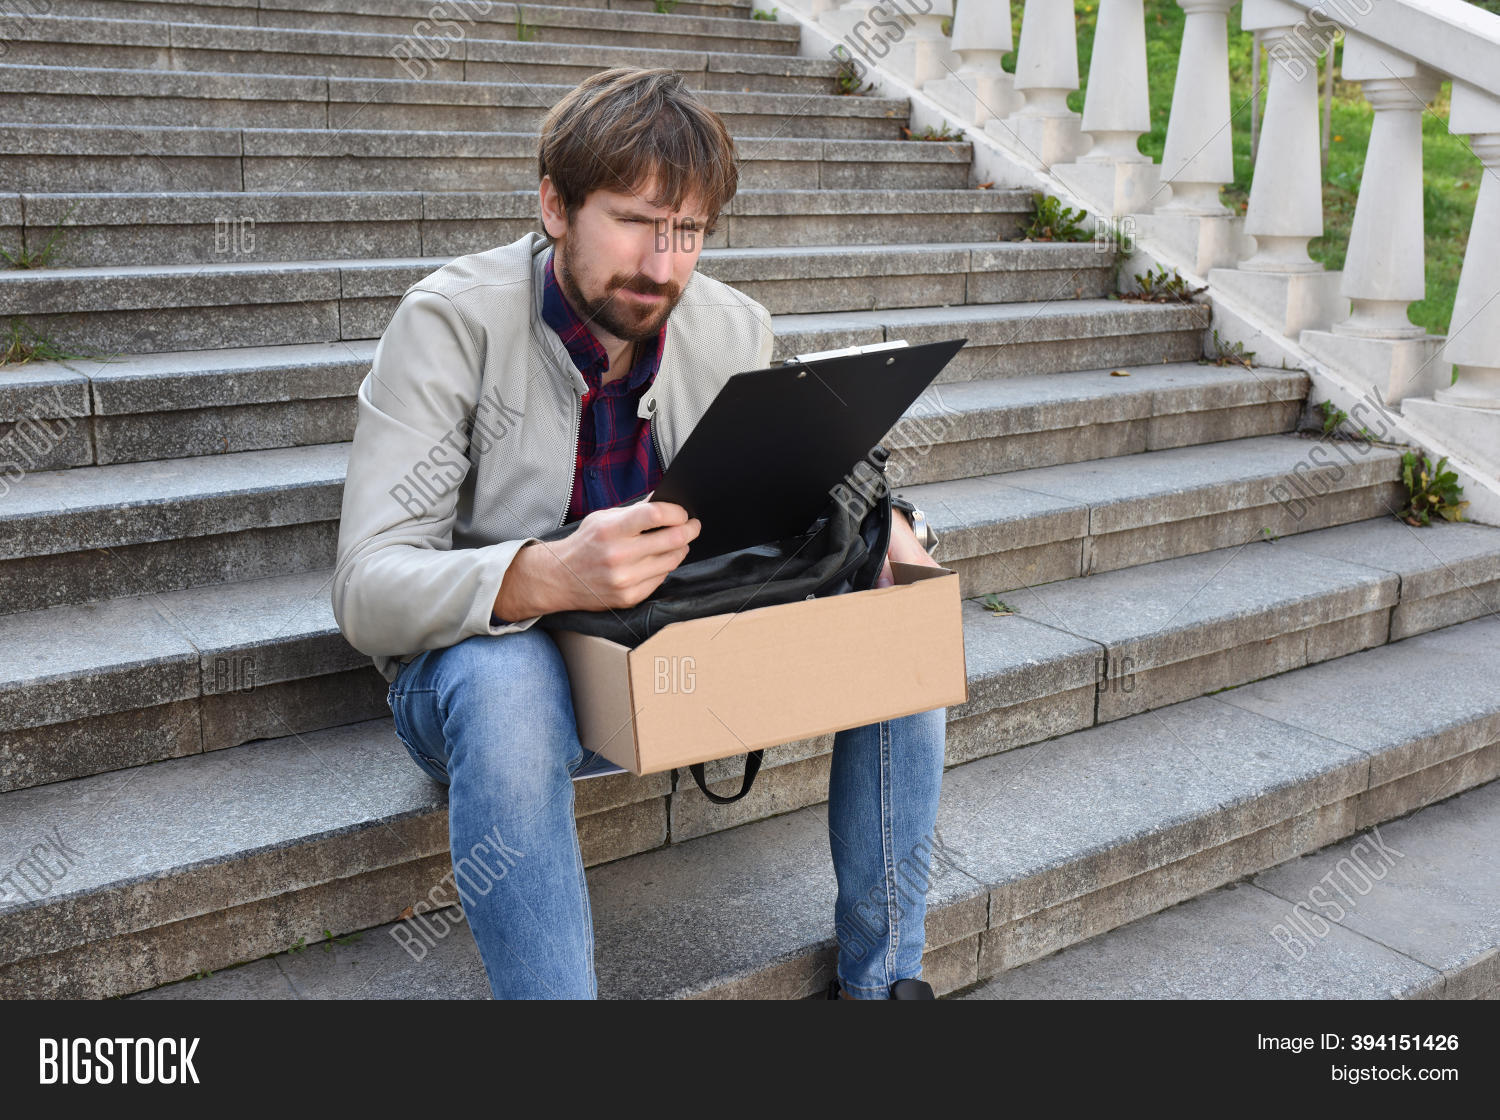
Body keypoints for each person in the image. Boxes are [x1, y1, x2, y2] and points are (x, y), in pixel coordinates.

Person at [331, 67, 947, 1000]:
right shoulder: (447, 324)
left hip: (656, 667)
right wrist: (545, 575)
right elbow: (366, 587)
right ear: (554, 205)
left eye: (688, 231)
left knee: (898, 610)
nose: (663, 267)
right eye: (633, 220)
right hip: (478, 686)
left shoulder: (731, 325)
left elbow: (822, 468)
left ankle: (889, 981)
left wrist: (892, 522)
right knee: (507, 684)